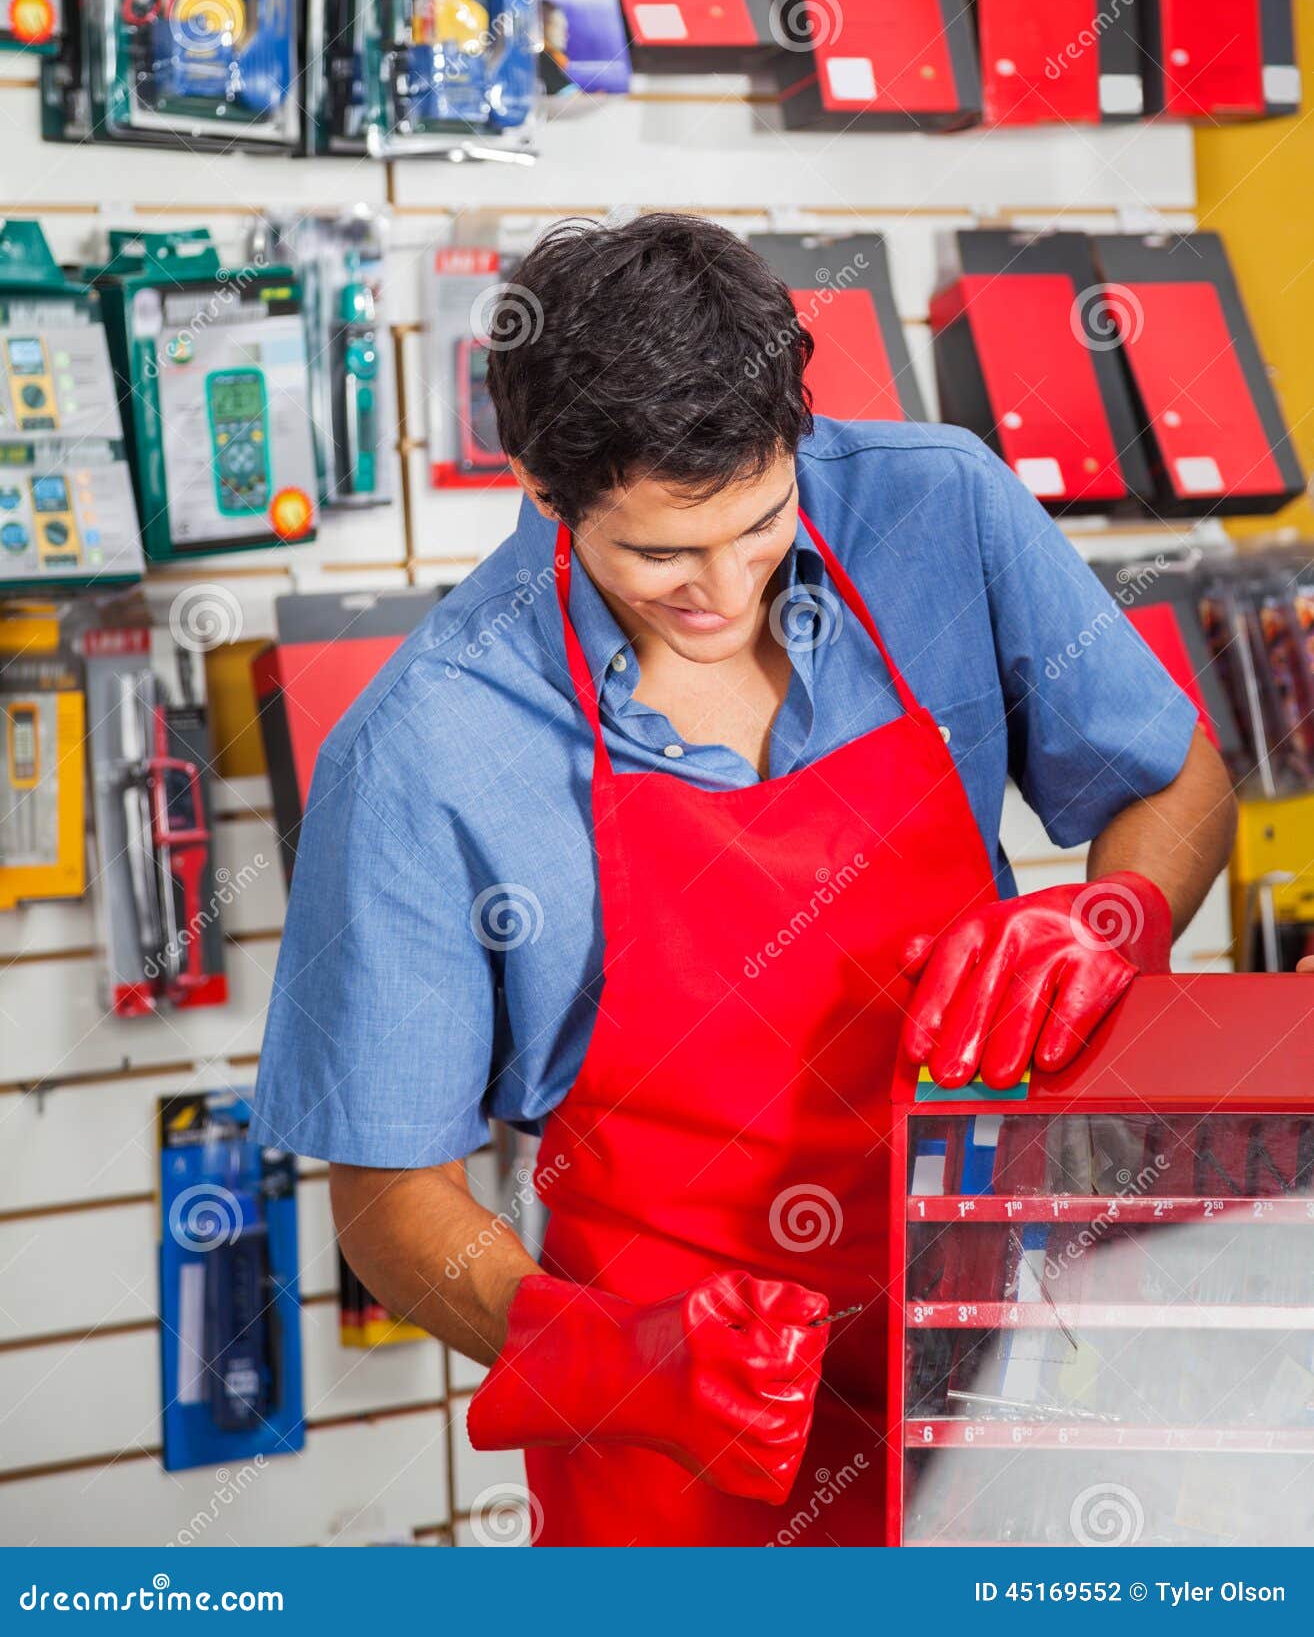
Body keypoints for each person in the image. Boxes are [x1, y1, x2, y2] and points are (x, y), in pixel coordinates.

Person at [252, 213, 1236, 1545]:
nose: (725, 587)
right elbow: (386, 1198)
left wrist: (1109, 914)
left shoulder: (939, 507)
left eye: (763, 521)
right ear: (545, 489)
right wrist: (601, 1355)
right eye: (661, 554)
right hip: (675, 1446)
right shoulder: (426, 745)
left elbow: (1171, 781)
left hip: (1007, 1351)